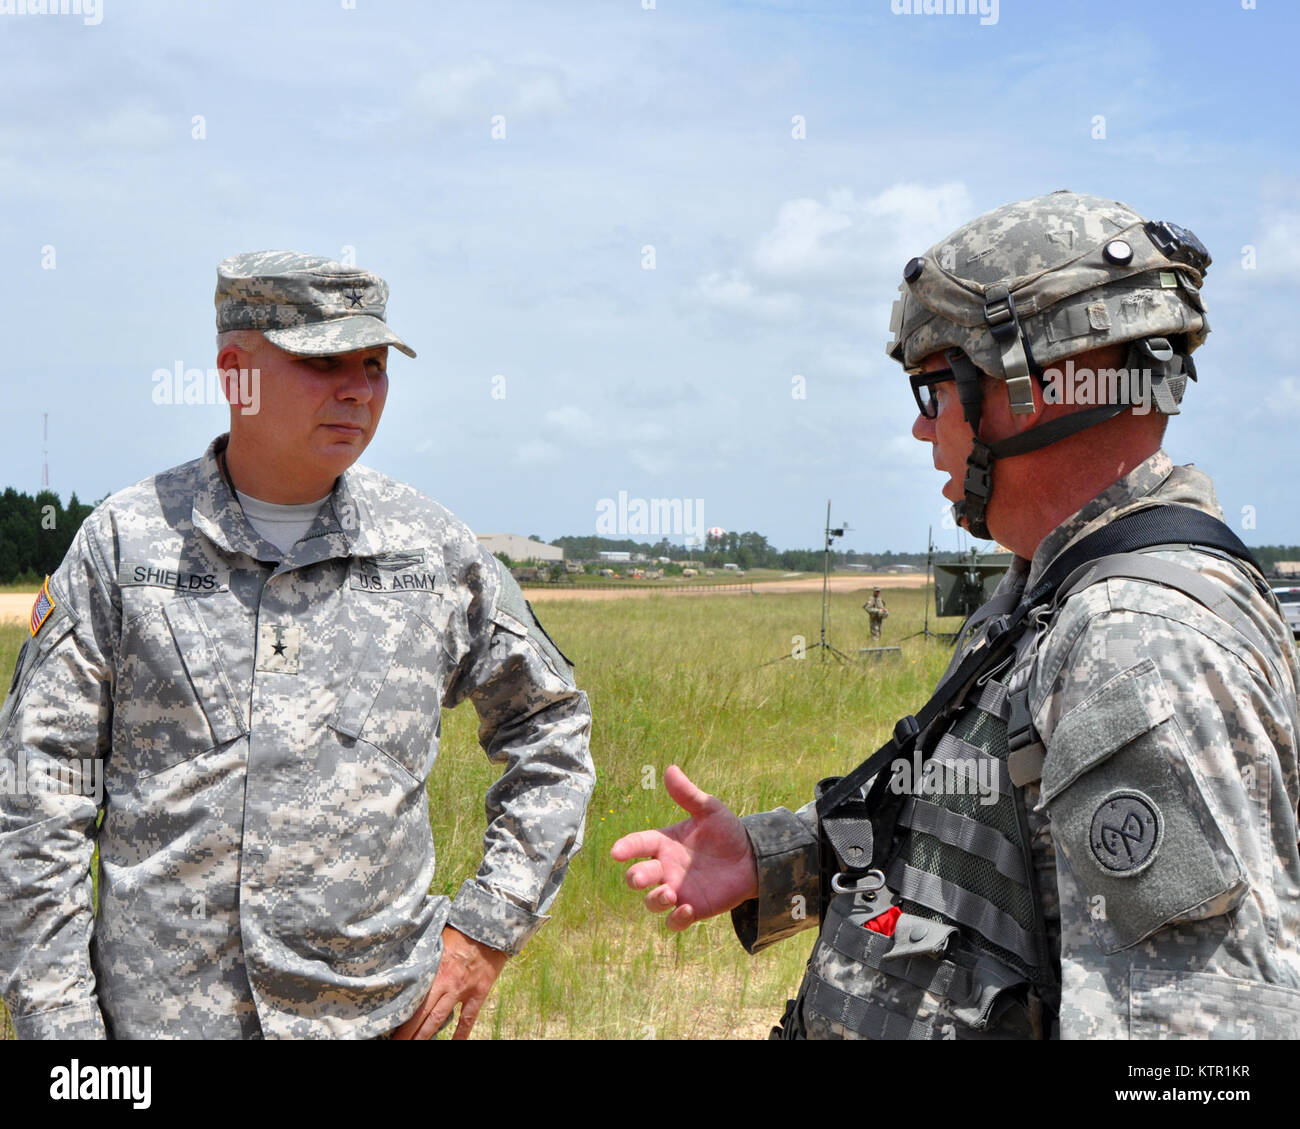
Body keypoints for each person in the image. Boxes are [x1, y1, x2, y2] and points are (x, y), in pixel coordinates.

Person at [613, 190, 1300, 1039]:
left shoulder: (1137, 642)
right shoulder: (1045, 598)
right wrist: (774, 858)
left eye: (933, 389)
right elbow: (980, 852)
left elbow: (1198, 1047)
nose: (917, 428)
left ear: (1034, 387)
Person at [0, 251, 595, 1040]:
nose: (359, 387)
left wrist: (486, 925)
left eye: (375, 364)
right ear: (235, 372)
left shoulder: (431, 553)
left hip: (376, 1019)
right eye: (325, 361)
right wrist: (62, 1032)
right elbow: (39, 798)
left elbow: (550, 729)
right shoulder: (127, 547)